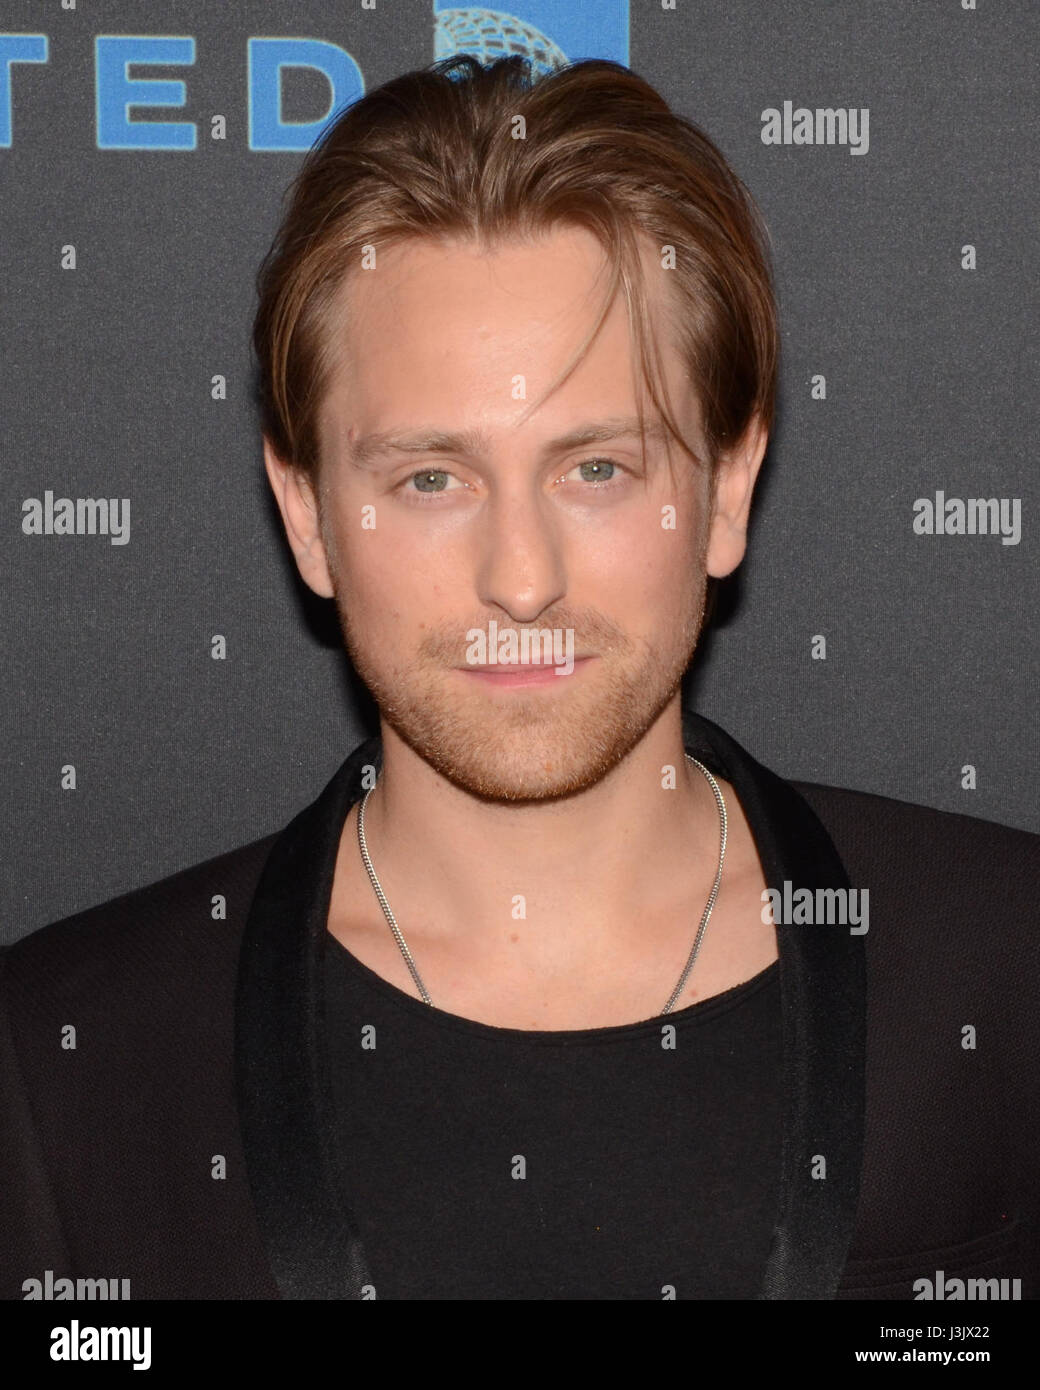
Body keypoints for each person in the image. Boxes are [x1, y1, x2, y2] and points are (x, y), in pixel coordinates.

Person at [2, 54, 1037, 1303]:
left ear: (723, 490)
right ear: (308, 517)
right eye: (430, 478)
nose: (521, 578)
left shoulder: (1004, 972)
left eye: (595, 467)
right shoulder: (67, 1061)